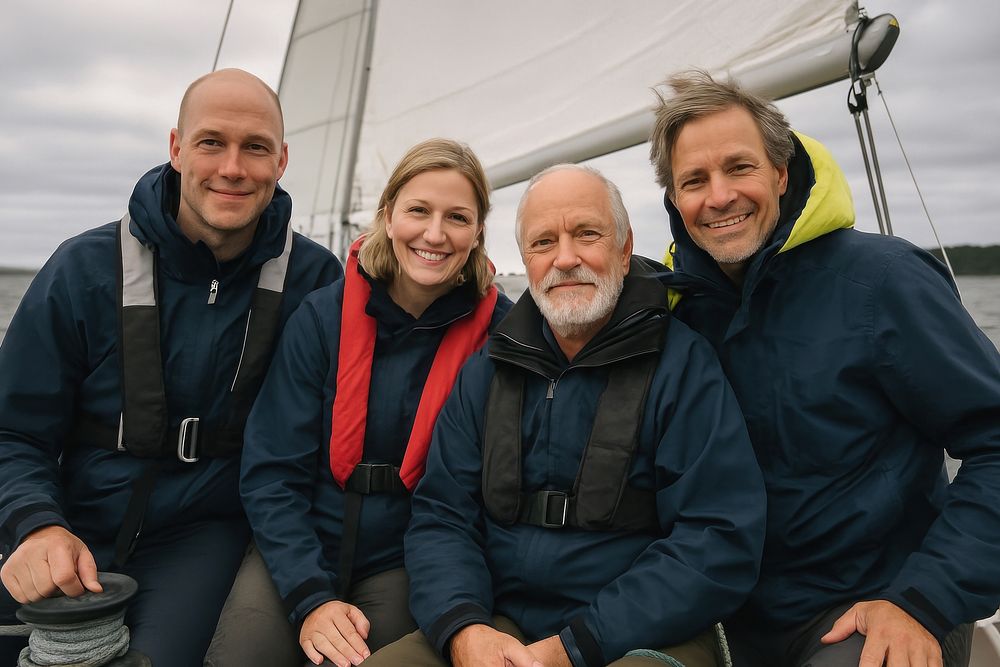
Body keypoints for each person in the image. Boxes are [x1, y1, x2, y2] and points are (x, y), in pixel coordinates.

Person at [649, 69, 1000, 667]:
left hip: (873, 607)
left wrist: (923, 599)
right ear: (675, 201)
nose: (718, 196)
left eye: (739, 167)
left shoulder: (881, 282)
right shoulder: (674, 313)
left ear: (781, 175)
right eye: (694, 180)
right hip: (725, 616)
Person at [0, 68, 343, 665]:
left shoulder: (316, 283)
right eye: (212, 142)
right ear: (176, 149)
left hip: (201, 538)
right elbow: (13, 431)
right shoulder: (81, 270)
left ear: (282, 160)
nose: (233, 167)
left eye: (255, 147)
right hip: (68, 515)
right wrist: (34, 526)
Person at [365, 164, 767, 667]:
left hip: (643, 635)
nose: (565, 259)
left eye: (587, 234)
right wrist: (464, 628)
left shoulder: (684, 367)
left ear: (624, 249)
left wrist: (575, 646)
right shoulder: (487, 370)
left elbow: (717, 537)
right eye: (543, 243)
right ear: (526, 260)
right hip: (500, 623)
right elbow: (443, 515)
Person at [238, 138, 514, 667]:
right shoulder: (323, 318)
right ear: (388, 217)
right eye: (418, 211)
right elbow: (272, 471)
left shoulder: (499, 336)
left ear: (478, 232)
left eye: (457, 217)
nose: (434, 234)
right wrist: (311, 595)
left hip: (408, 556)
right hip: (302, 538)